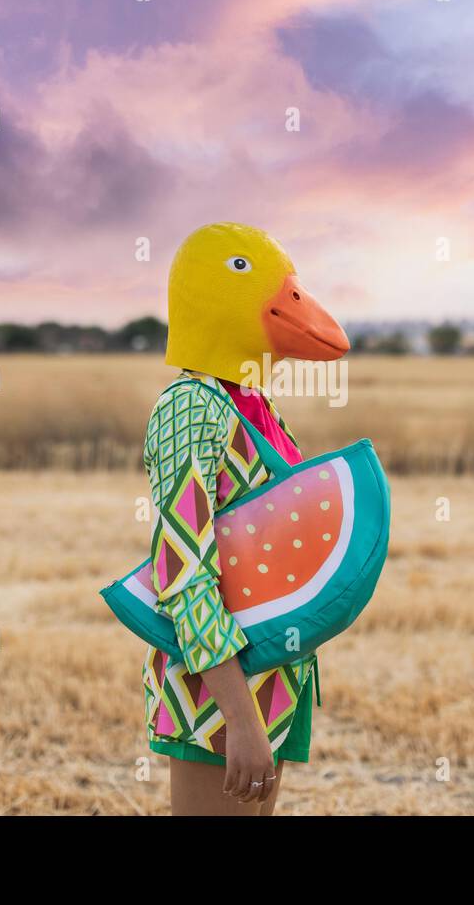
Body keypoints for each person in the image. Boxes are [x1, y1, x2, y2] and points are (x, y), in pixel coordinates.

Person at [141, 222, 349, 815]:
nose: (295, 301)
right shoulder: (189, 405)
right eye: (249, 274)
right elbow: (182, 569)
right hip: (219, 693)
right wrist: (240, 716)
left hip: (273, 682)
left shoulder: (255, 405)